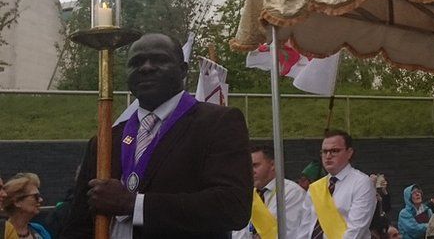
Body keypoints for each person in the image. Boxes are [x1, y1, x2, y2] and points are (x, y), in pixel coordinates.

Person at [62, 33, 252, 238]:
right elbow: (78, 224)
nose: (146, 67)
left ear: (183, 70)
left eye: (159, 60)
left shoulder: (217, 123)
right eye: (136, 62)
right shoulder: (106, 140)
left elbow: (233, 207)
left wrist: (134, 205)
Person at [232, 144, 315, 238]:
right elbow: (238, 232)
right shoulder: (247, 194)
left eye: (255, 165)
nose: (250, 171)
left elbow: (289, 233)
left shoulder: (292, 193)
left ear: (272, 165)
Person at [309, 129, 376, 239]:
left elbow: (356, 230)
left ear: (349, 153)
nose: (328, 156)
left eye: (334, 151)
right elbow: (306, 226)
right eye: (324, 152)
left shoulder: (362, 183)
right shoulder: (316, 187)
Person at [2, 173, 52, 239]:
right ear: (17, 202)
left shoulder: (39, 230)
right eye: (35, 196)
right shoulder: (3, 233)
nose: (41, 200)